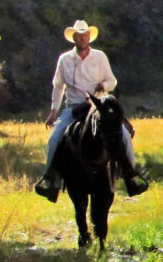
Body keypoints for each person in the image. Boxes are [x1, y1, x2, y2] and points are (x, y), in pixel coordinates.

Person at [34, 19, 147, 201]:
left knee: (124, 135)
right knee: (54, 138)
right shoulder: (65, 59)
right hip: (74, 106)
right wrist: (54, 111)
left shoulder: (100, 57)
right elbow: (58, 86)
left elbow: (112, 81)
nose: (82, 38)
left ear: (89, 37)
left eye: (85, 35)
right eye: (79, 36)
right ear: (74, 38)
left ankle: (131, 177)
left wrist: (103, 86)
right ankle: (51, 180)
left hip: (98, 106)